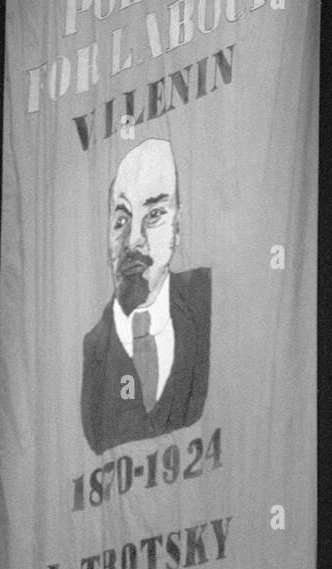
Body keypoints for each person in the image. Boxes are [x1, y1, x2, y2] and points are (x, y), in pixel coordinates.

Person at [81, 137, 211, 455]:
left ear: (177, 228)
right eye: (122, 220)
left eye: (153, 215)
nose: (134, 241)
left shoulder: (207, 301)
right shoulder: (94, 349)